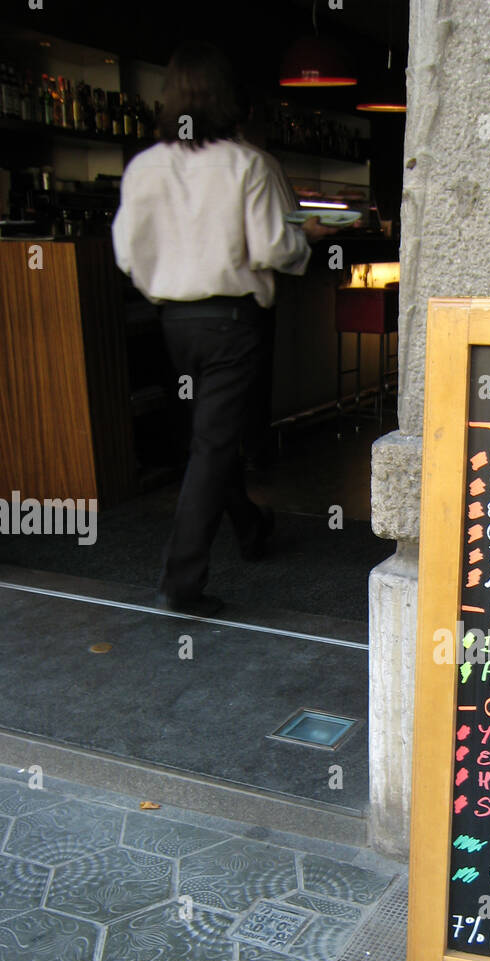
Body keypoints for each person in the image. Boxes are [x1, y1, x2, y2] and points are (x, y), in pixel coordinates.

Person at [112, 40, 329, 616]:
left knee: (210, 437)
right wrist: (307, 237)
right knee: (213, 442)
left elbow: (126, 253)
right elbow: (273, 248)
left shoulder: (145, 166)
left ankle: (251, 525)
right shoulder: (247, 164)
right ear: (232, 99)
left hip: (173, 323)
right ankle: (181, 583)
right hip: (233, 323)